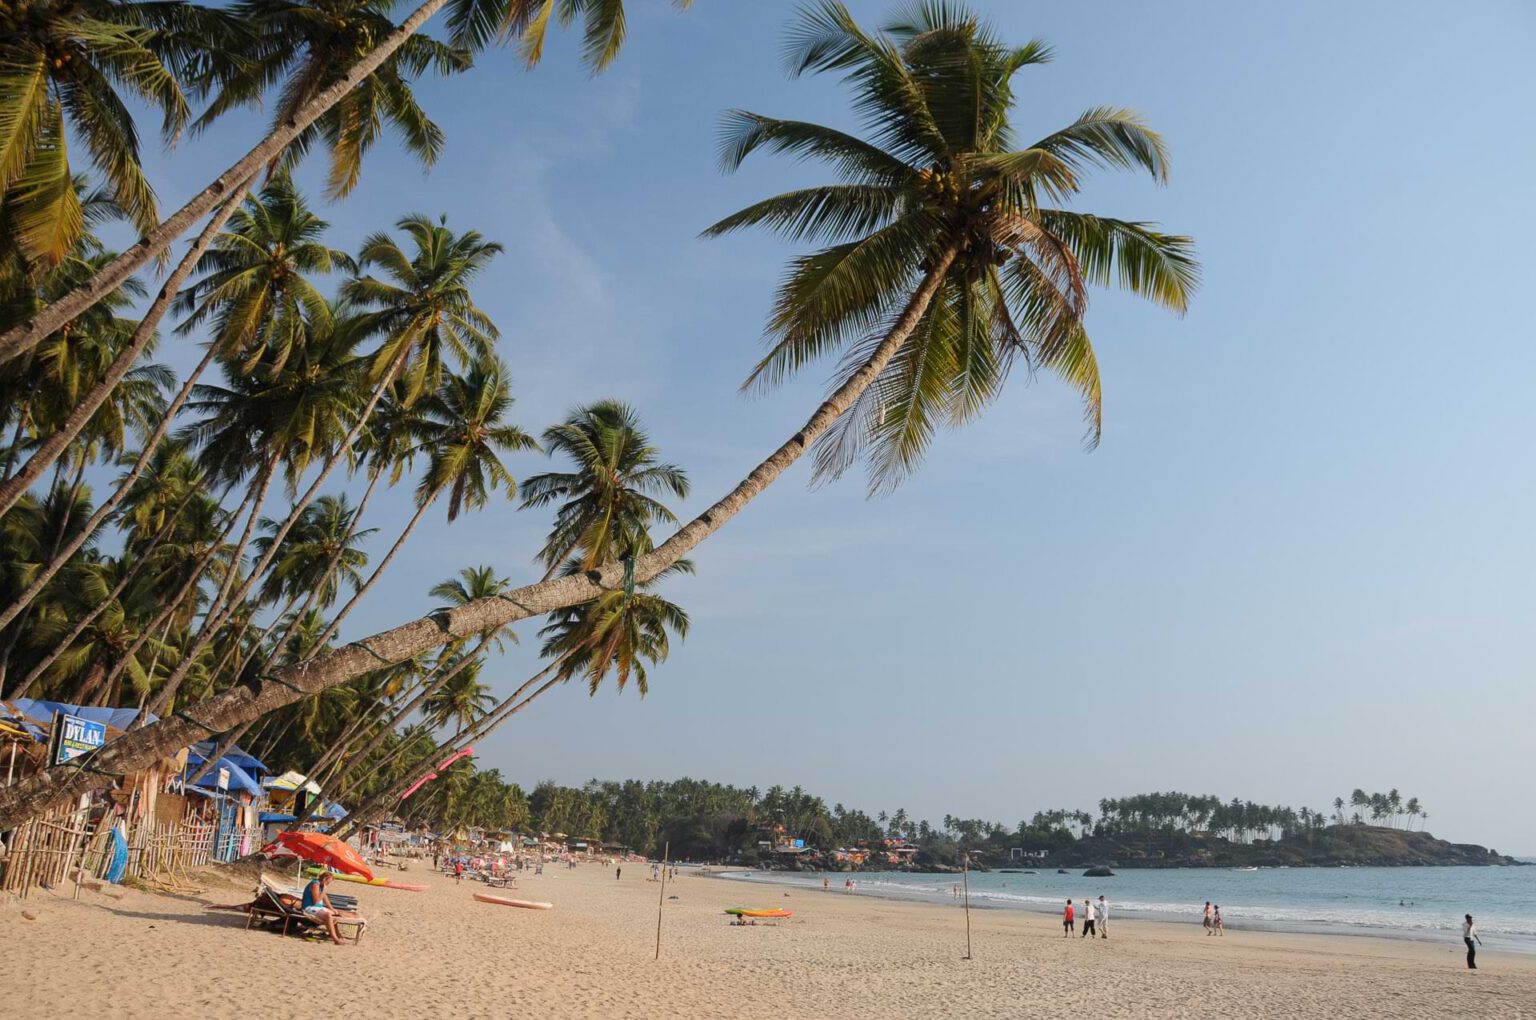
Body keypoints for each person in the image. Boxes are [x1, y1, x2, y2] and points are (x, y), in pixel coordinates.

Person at [300, 872, 354, 947]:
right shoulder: (315, 884)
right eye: (328, 882)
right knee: (328, 915)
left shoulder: (321, 885)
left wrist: (332, 909)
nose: (328, 884)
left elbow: (325, 898)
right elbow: (316, 901)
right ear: (324, 879)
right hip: (309, 907)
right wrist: (324, 890)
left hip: (318, 908)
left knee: (336, 913)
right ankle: (335, 939)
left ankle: (338, 935)